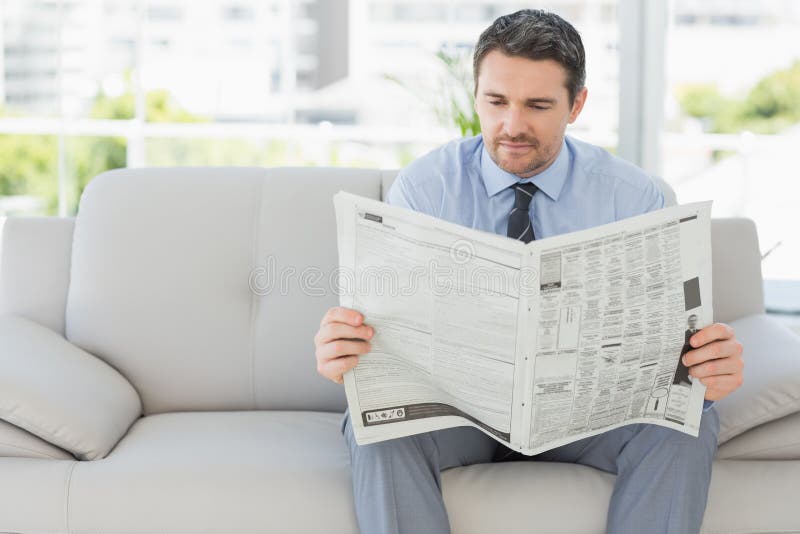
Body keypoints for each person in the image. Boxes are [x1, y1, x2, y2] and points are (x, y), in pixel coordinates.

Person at [313, 9, 744, 534]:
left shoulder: (639, 198)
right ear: (477, 94)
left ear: (576, 104)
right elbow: (388, 330)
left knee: (693, 421)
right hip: (459, 414)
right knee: (374, 428)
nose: (512, 125)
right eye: (496, 102)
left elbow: (673, 344)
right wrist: (348, 351)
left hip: (588, 417)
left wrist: (706, 365)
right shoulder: (425, 189)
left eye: (538, 105)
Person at [674, 314, 701, 387]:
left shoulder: (701, 332)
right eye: (691, 321)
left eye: (694, 320)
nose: (693, 322)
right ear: (688, 322)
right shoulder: (684, 334)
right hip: (682, 370)